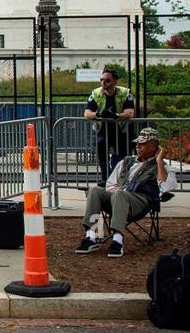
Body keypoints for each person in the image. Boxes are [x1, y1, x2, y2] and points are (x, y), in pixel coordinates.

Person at [75, 126, 175, 258]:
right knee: (95, 190)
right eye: (137, 144)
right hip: (118, 198)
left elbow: (166, 187)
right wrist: (116, 192)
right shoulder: (126, 162)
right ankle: (92, 237)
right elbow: (110, 184)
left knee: (120, 194)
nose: (138, 147)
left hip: (139, 202)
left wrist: (159, 161)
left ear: (153, 146)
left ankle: (117, 241)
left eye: (142, 144)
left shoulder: (162, 167)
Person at [84, 68, 135, 181]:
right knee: (102, 154)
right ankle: (105, 179)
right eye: (101, 80)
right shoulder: (96, 93)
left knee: (123, 156)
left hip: (122, 130)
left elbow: (130, 113)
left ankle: (121, 180)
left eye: (107, 80)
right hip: (103, 129)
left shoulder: (124, 93)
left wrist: (115, 116)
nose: (103, 83)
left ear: (115, 81)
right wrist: (98, 114)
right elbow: (87, 113)